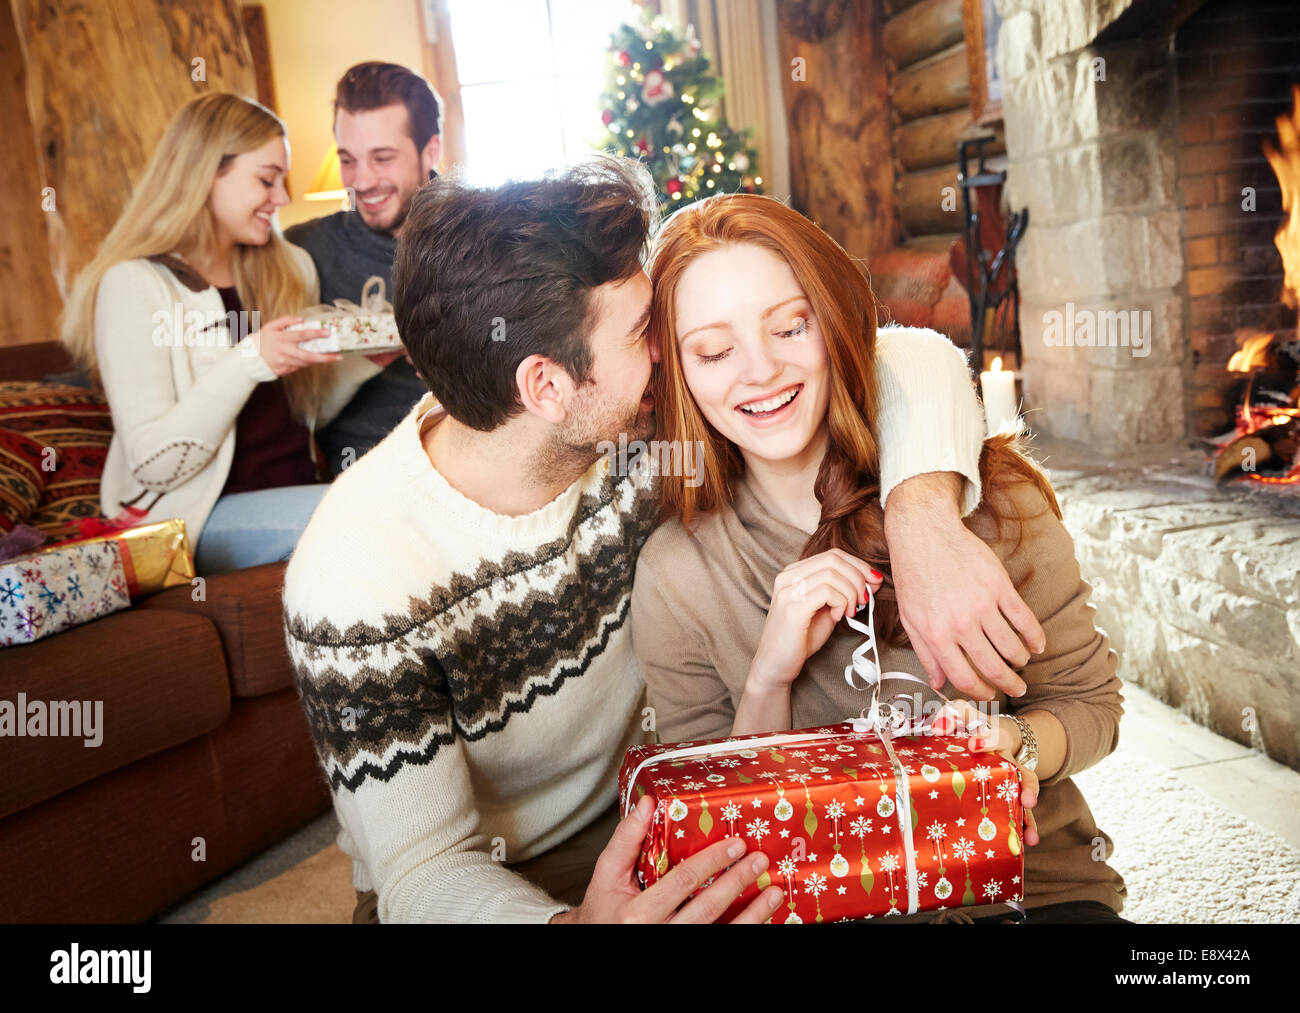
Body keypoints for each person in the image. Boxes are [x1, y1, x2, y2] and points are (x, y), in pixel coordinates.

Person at [282, 156, 1045, 924]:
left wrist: (923, 520)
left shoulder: (642, 431)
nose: (671, 352)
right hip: (481, 886)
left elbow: (899, 356)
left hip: (660, 806)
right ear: (546, 387)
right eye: (647, 331)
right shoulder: (354, 577)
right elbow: (420, 869)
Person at [629, 192, 1130, 925]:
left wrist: (1014, 744)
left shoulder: (994, 499)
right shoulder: (676, 573)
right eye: (713, 350)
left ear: (834, 322)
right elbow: (722, 838)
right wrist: (770, 672)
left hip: (1032, 895)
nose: (761, 370)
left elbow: (1091, 706)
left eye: (791, 326)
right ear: (677, 370)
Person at [59, 92, 389, 574]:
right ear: (206, 174)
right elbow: (155, 463)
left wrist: (365, 363)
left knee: (404, 505)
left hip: (294, 494)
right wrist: (250, 359)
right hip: (189, 519)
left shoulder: (286, 267)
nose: (281, 199)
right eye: (266, 180)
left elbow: (302, 412)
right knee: (370, 518)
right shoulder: (135, 286)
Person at [285, 62, 442, 477]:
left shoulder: (487, 235)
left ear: (431, 151)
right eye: (348, 160)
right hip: (366, 480)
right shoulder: (302, 250)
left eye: (382, 158)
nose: (363, 181)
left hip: (479, 463)